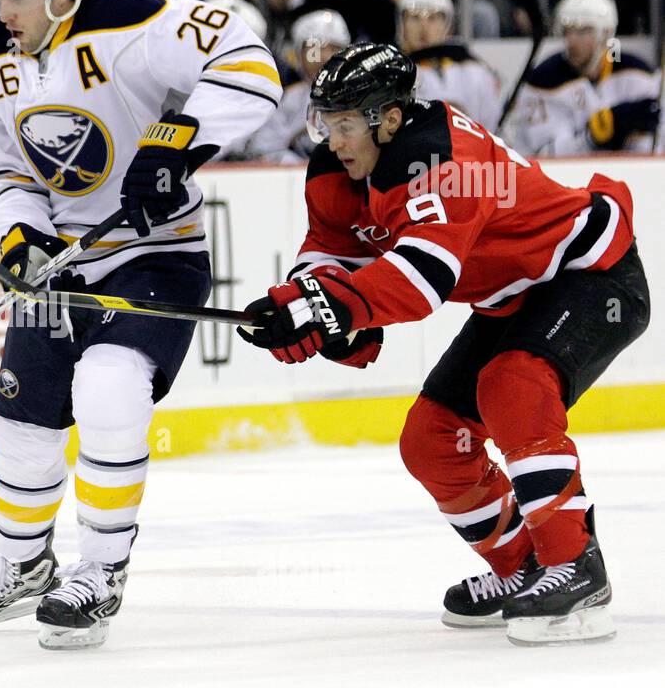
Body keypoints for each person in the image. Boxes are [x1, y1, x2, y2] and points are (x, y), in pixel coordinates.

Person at [237, 43, 650, 645]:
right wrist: (306, 307)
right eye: (325, 122)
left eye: (346, 124)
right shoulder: (336, 169)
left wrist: (328, 309)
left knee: (512, 386)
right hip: (513, 294)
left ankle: (576, 567)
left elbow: (422, 278)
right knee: (431, 442)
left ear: (391, 119)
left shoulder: (447, 158)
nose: (332, 139)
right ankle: (525, 569)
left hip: (593, 273)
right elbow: (330, 253)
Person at [0, 0, 281, 649]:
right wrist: (21, 235)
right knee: (20, 419)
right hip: (61, 266)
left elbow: (251, 61)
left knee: (108, 387)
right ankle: (21, 560)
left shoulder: (130, 22)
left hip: (158, 253)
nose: (5, 12)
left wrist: (178, 143)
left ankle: (100, 569)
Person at [506, 0, 661, 158]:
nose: (571, 41)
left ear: (606, 33)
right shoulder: (544, 80)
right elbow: (539, 156)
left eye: (583, 32)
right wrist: (592, 135)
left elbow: (657, 146)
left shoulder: (639, 75)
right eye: (567, 31)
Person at [245, 8, 351, 162]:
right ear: (299, 55)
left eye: (334, 49)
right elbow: (265, 151)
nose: (325, 57)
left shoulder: (360, 95)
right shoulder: (287, 99)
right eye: (315, 48)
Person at [398, 0, 503, 132]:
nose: (423, 27)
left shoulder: (476, 72)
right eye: (414, 18)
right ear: (401, 23)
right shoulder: (394, 76)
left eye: (433, 18)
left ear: (448, 24)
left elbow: (492, 129)